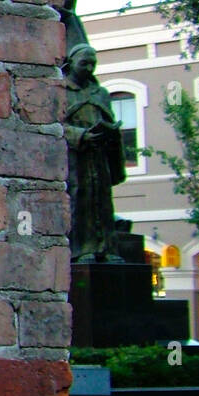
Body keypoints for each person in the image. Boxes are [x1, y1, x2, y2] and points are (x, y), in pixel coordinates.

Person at [62, 43, 127, 262]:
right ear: (71, 63)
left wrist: (110, 132)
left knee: (103, 202)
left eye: (93, 64)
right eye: (84, 63)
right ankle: (83, 249)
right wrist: (80, 135)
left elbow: (107, 118)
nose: (89, 68)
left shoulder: (101, 93)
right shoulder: (60, 90)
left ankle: (107, 248)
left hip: (99, 156)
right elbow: (54, 125)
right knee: (80, 200)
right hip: (75, 158)